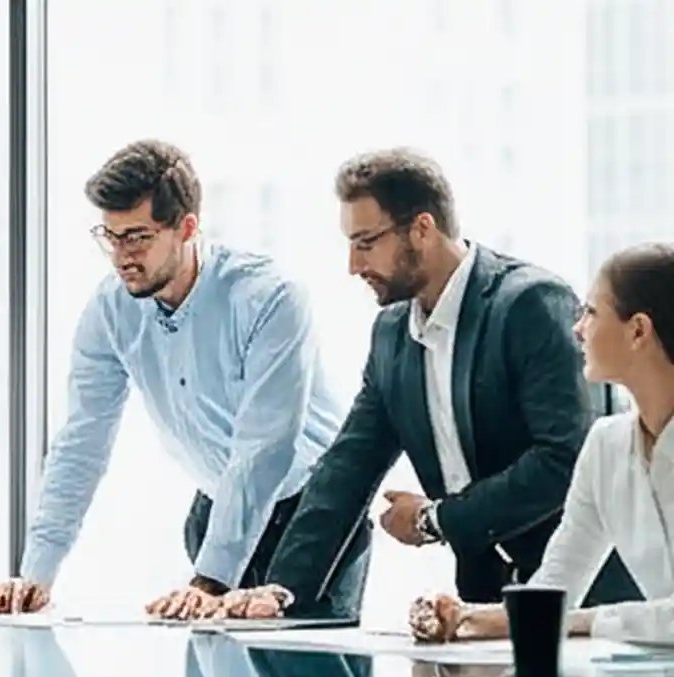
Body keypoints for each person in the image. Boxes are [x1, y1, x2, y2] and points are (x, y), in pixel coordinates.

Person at [220, 148, 635, 620]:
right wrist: (279, 591)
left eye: (366, 242)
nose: (353, 265)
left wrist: (435, 519)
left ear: (422, 228)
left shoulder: (530, 304)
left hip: (593, 598)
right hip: (485, 601)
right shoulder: (392, 334)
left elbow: (565, 458)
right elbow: (348, 467)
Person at [0, 139, 366, 620]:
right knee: (209, 663)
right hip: (215, 510)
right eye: (110, 237)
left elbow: (264, 449)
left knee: (301, 665)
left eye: (137, 237)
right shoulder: (110, 309)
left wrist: (209, 581)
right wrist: (36, 576)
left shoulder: (269, 297)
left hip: (312, 517)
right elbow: (82, 443)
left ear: (186, 227)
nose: (121, 256)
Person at [410, 243, 674, 644]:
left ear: (638, 330)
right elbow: (554, 589)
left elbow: (562, 617)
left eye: (591, 312)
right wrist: (465, 618)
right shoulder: (606, 445)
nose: (577, 328)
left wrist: (578, 622)